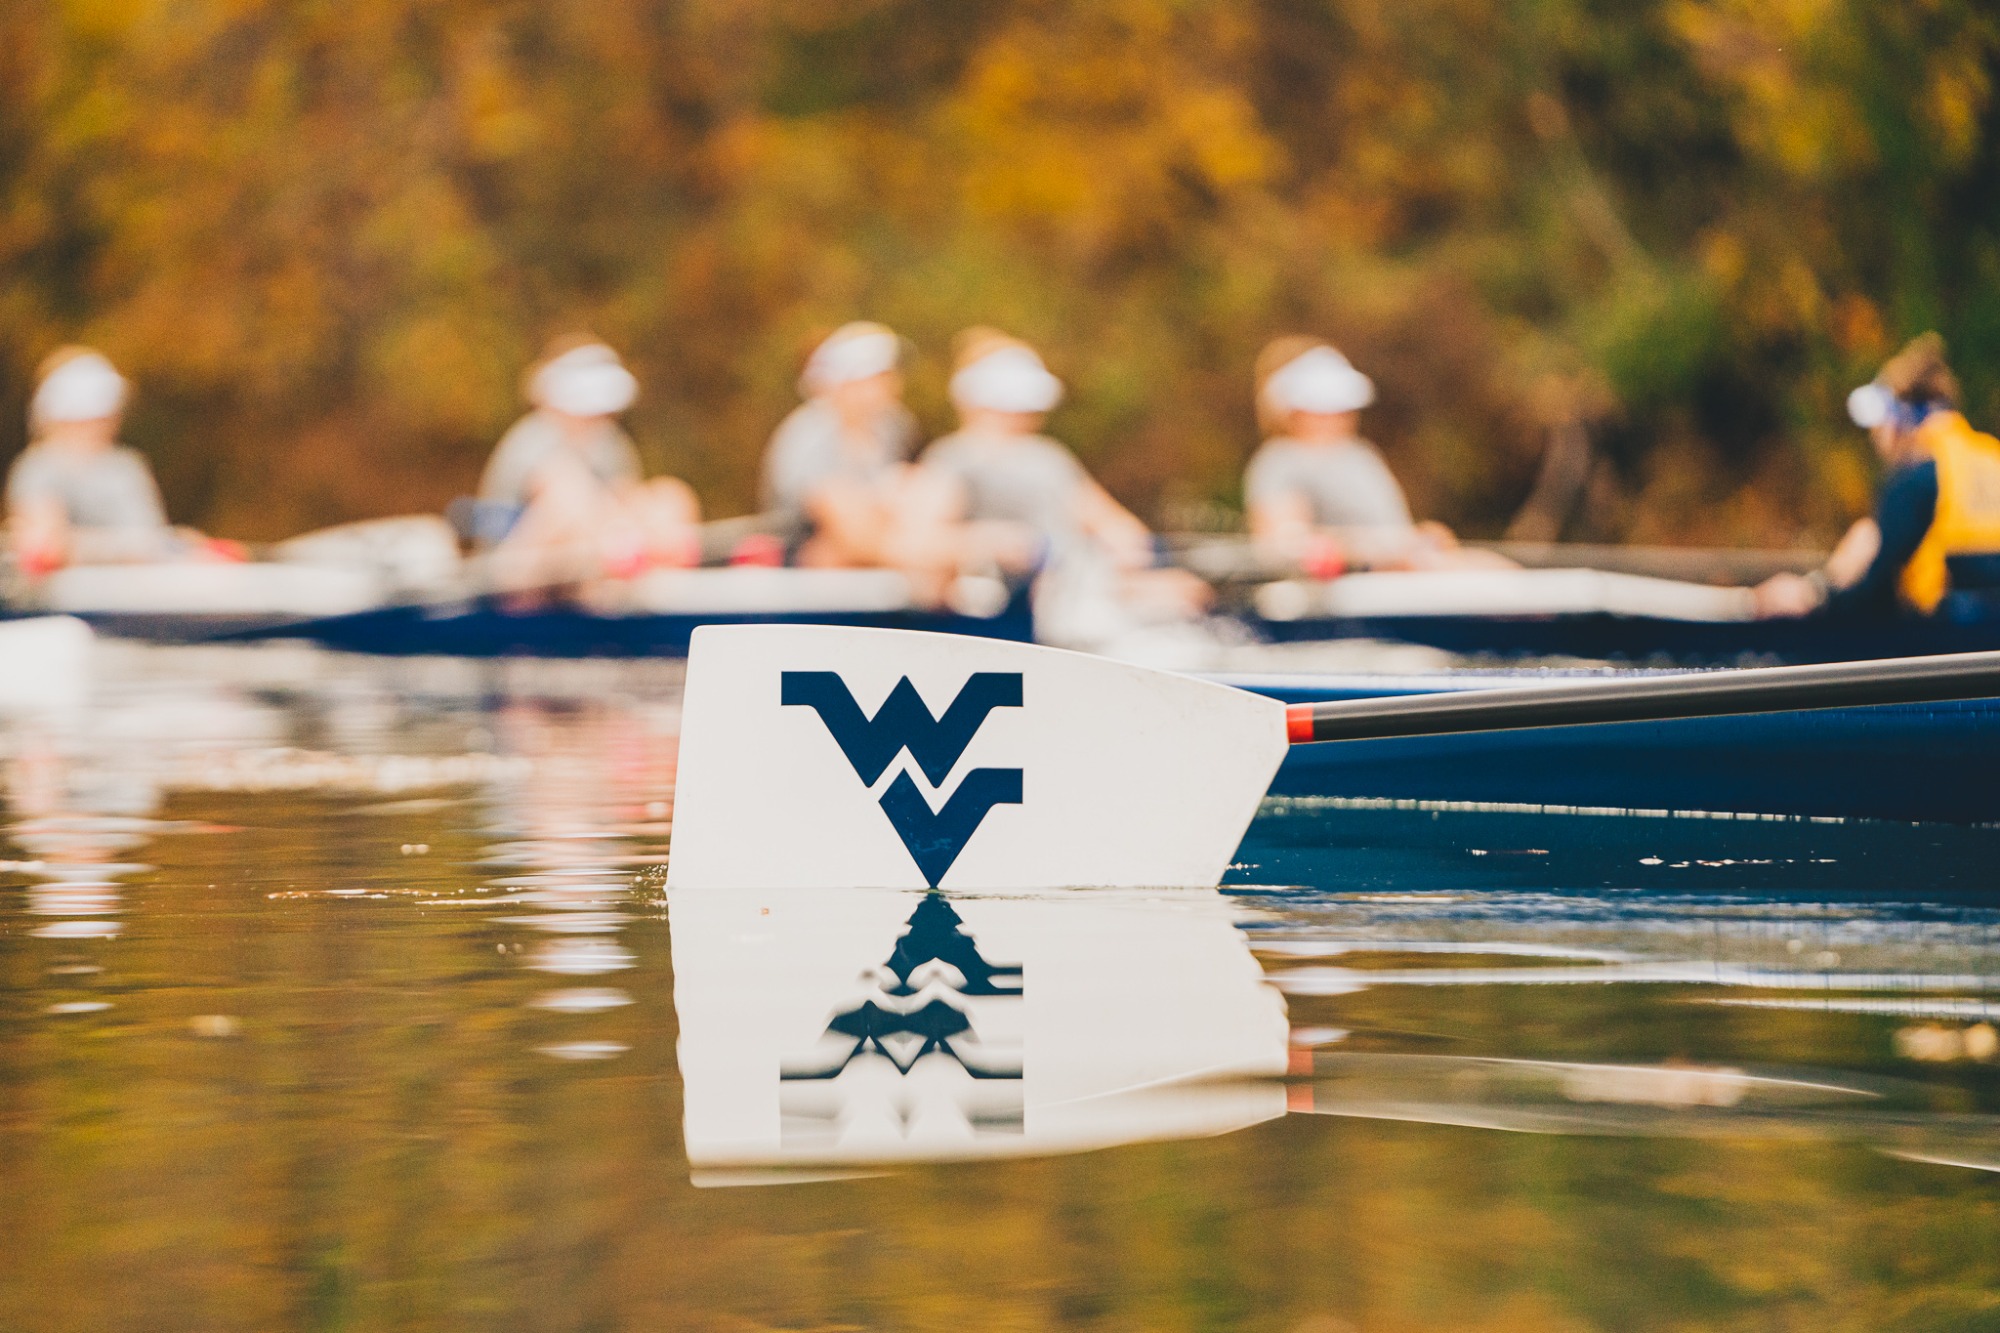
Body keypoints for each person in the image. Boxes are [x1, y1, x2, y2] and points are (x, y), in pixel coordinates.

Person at [919, 328, 1208, 618]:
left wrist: (1137, 564)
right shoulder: (955, 458)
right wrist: (991, 543)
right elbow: (920, 542)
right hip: (1017, 615)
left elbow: (1113, 526)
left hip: (1079, 600)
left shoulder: (1049, 457)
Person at [1756, 333, 2000, 619]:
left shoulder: (1916, 480)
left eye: (1880, 426)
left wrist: (1815, 595)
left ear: (1900, 419)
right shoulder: (1991, 456)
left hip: (1946, 643)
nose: (1876, 439)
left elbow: (1872, 592)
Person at [1243, 336, 1505, 575]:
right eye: (1322, 405)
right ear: (1290, 410)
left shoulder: (1361, 455)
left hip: (1405, 582)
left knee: (1497, 569)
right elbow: (1285, 548)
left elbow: (1395, 536)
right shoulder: (1280, 462)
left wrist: (1422, 539)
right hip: (1359, 599)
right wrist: (1383, 554)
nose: (1338, 416)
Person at [477, 337, 701, 589]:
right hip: (515, 572)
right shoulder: (533, 440)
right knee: (570, 497)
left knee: (669, 497)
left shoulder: (610, 443)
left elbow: (624, 496)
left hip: (592, 554)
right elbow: (560, 498)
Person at [6, 347, 220, 574]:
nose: (102, 425)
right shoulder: (39, 469)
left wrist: (178, 546)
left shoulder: (125, 467)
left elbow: (148, 535)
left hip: (135, 594)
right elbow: (44, 545)